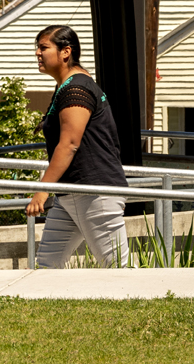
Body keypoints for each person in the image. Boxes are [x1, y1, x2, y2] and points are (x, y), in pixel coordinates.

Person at [24, 23, 129, 268]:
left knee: (119, 271)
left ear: (65, 52)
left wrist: (42, 190)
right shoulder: (67, 86)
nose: (37, 53)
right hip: (70, 193)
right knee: (47, 266)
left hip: (95, 192)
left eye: (43, 47)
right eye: (36, 48)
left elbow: (69, 144)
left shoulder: (76, 88)